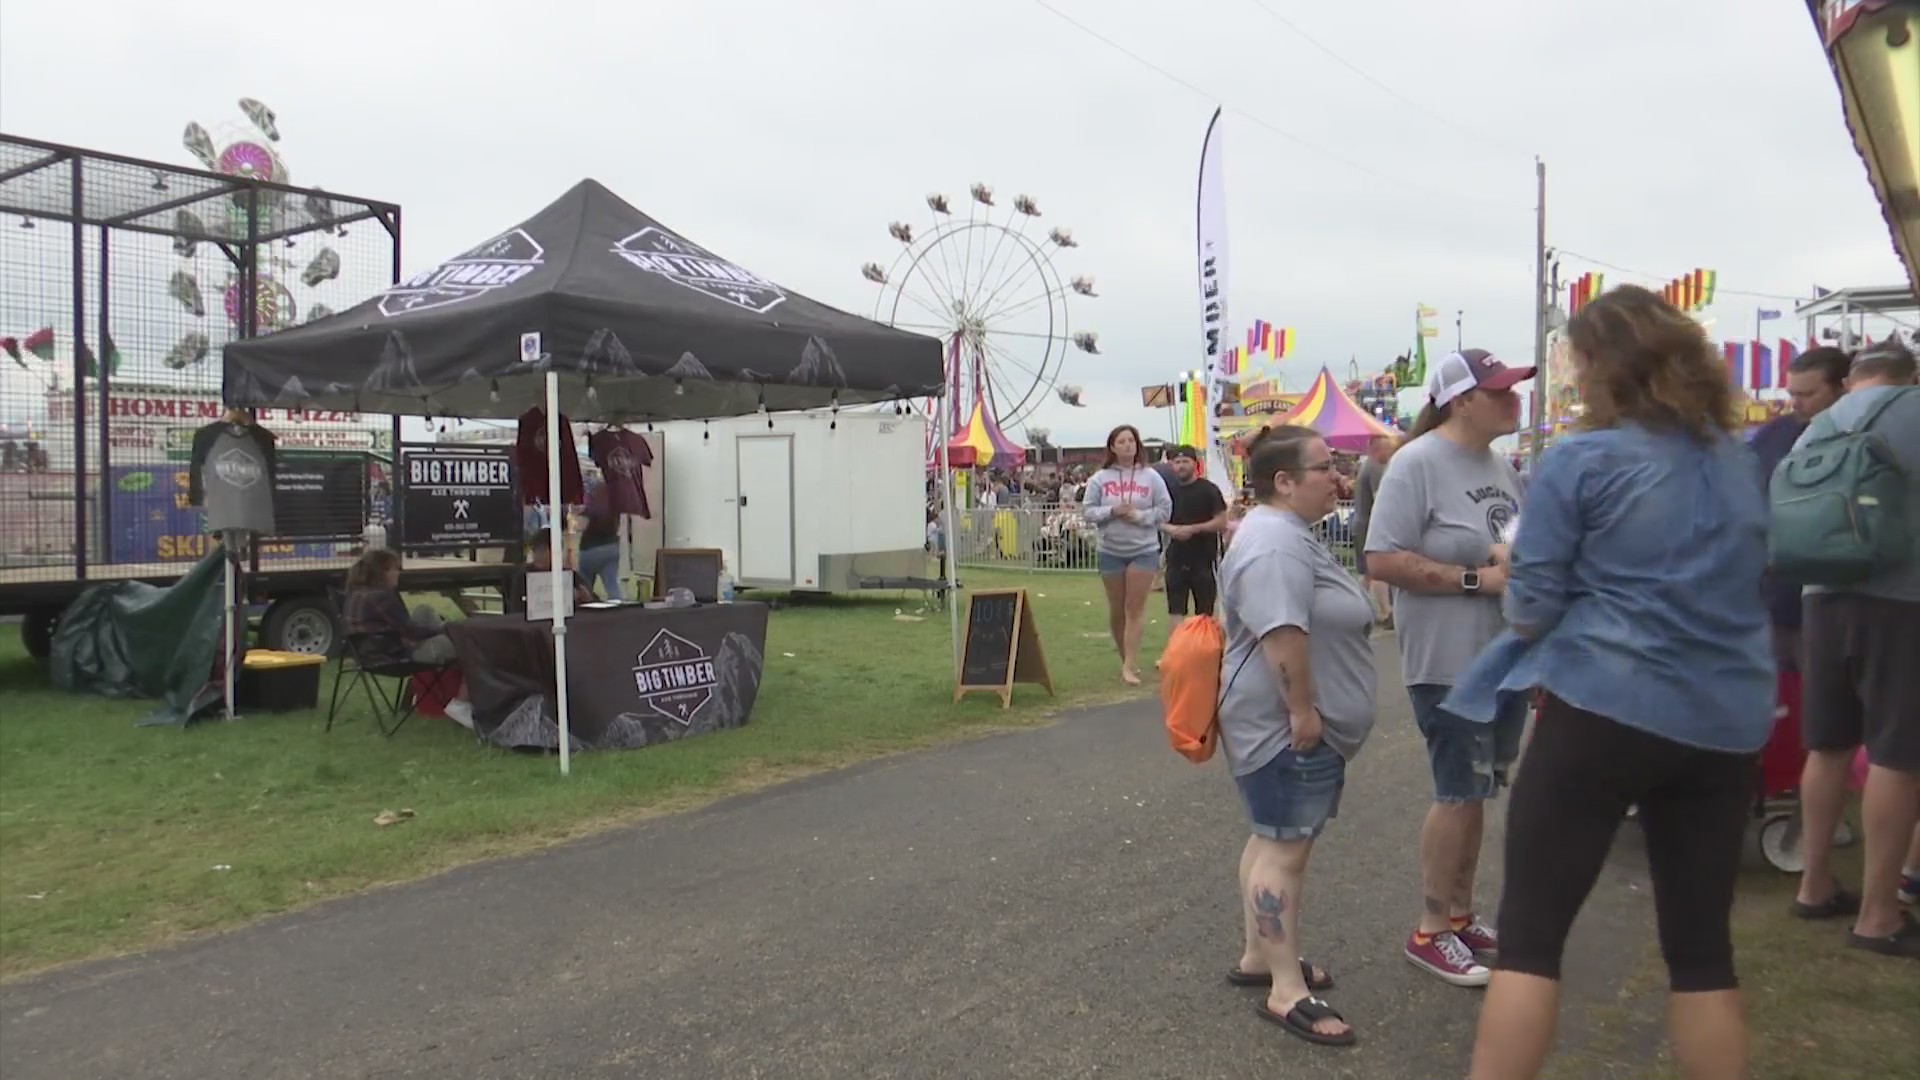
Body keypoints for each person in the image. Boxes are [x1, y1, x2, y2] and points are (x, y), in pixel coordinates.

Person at [1445, 285, 1775, 1080]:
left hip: (1604, 705)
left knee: (1530, 941)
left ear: (1601, 369)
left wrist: (1511, 567)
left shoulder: (1584, 460)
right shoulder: (1737, 463)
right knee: (1701, 953)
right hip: (1723, 722)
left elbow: (1530, 611)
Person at [1364, 347, 1531, 987]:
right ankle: (1430, 929)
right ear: (1462, 399)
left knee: (1480, 791)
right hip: (1447, 659)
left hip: (1502, 654)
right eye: (1502, 390)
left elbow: (1506, 546)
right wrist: (1475, 578)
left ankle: (1460, 916)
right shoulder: (1417, 463)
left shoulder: (1499, 464)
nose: (1515, 398)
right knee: (1457, 790)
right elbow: (1380, 559)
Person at [1215, 425, 1377, 1047]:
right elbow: (1284, 635)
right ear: (1283, 482)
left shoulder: (1282, 535)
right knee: (1286, 851)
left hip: (1282, 724)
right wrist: (1303, 711)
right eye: (1324, 467)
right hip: (1285, 727)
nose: (1339, 476)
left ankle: (1262, 957)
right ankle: (1286, 989)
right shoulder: (1274, 544)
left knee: (1273, 839)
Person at [1791, 338, 1920, 959]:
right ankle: (1878, 915)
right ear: (1908, 375)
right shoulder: (1916, 412)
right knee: (1899, 755)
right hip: (1901, 598)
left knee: (1828, 744)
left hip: (1820, 597)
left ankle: (1814, 884)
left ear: (1854, 379)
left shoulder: (1815, 427)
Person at [1081, 424, 1171, 685]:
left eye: (1131, 440)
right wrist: (1112, 512)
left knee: (1135, 608)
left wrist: (1139, 516)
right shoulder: (1100, 479)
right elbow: (1087, 511)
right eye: (1121, 441)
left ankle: (1130, 665)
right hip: (1111, 550)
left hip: (1143, 550)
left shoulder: (1151, 477)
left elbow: (1164, 510)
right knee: (1117, 609)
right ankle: (1124, 658)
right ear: (1112, 447)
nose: (1127, 445)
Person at [1160, 445, 1229, 626]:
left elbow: (1221, 522)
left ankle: (1206, 652)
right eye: (1177, 462)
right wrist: (1171, 529)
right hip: (1176, 559)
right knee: (1175, 611)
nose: (1181, 466)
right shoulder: (1167, 492)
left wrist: (1191, 529)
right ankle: (1176, 652)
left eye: (1185, 462)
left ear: (1195, 464)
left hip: (1203, 560)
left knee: (1205, 613)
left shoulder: (1209, 490)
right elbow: (1156, 519)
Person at [1350, 434, 1396, 625]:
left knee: (1366, 573)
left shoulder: (1367, 466)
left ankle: (1359, 609)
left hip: (1361, 523)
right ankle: (1386, 612)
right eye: (1388, 448)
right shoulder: (1376, 468)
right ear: (1378, 449)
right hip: (1371, 525)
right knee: (1378, 571)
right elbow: (1381, 500)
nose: (1391, 452)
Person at [511, 528, 597, 612]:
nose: (538, 555)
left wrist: (587, 599)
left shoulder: (569, 575)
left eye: (542, 550)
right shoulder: (523, 576)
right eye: (536, 550)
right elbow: (517, 608)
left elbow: (594, 602)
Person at [576, 480, 623, 601]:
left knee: (586, 586)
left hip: (589, 550)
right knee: (612, 586)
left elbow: (581, 525)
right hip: (611, 548)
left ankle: (587, 612)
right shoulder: (615, 505)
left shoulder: (592, 507)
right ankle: (620, 612)